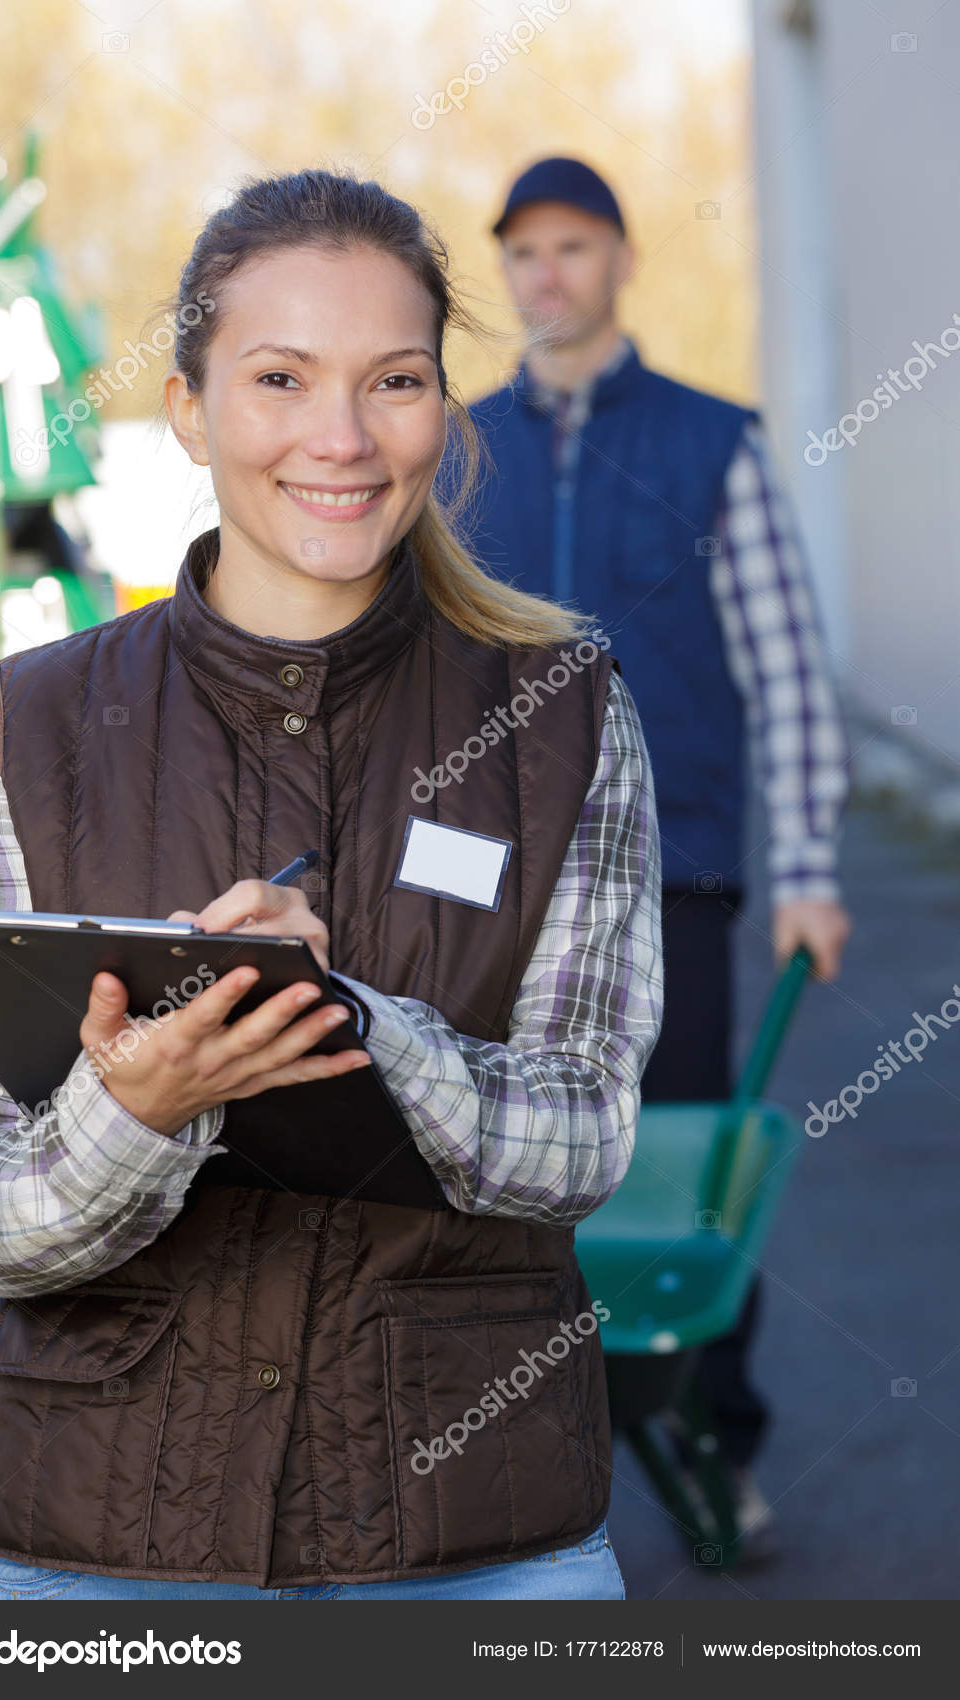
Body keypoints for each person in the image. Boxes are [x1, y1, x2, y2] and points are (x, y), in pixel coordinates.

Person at [0, 167, 663, 1603]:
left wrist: (356, 1025)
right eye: (279, 377)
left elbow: (584, 1143)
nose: (341, 437)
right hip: (98, 1546)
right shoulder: (34, 725)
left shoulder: (564, 718)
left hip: (468, 1542)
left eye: (394, 380)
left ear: (444, 411)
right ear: (189, 408)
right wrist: (139, 1110)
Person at [437, 156, 851, 1562]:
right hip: (498, 888)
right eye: (526, 252)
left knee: (685, 1180)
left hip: (680, 879)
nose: (548, 273)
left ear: (618, 261)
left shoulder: (708, 443)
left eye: (574, 247)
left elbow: (787, 673)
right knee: (501, 1169)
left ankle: (715, 1444)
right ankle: (525, 1461)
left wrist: (805, 867)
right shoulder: (461, 449)